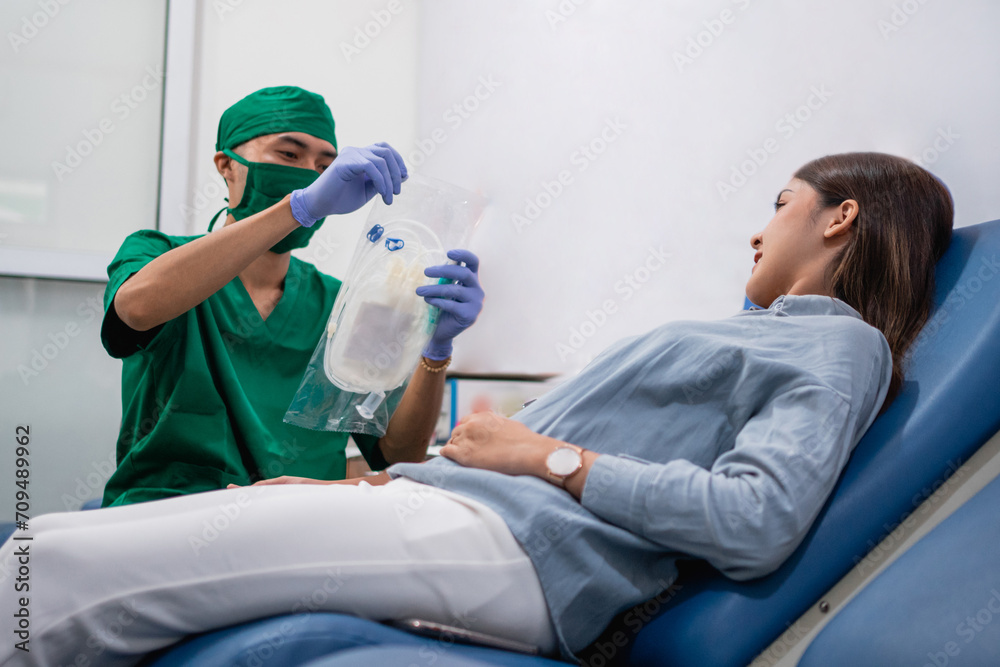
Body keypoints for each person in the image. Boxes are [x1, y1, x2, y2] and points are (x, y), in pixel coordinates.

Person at [0, 153, 953, 666]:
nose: (757, 224)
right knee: (64, 543)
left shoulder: (839, 342)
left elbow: (756, 522)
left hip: (519, 551)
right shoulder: (758, 332)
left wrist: (545, 455)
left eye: (781, 201)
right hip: (452, 513)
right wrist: (376, 482)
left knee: (69, 567)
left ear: (840, 218)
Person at [97, 86, 485, 506]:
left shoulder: (340, 302)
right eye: (289, 155)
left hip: (301, 526)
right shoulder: (156, 253)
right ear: (227, 166)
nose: (311, 173)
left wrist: (435, 348)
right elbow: (135, 309)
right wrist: (297, 207)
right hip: (165, 519)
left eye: (325, 165)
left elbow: (397, 454)